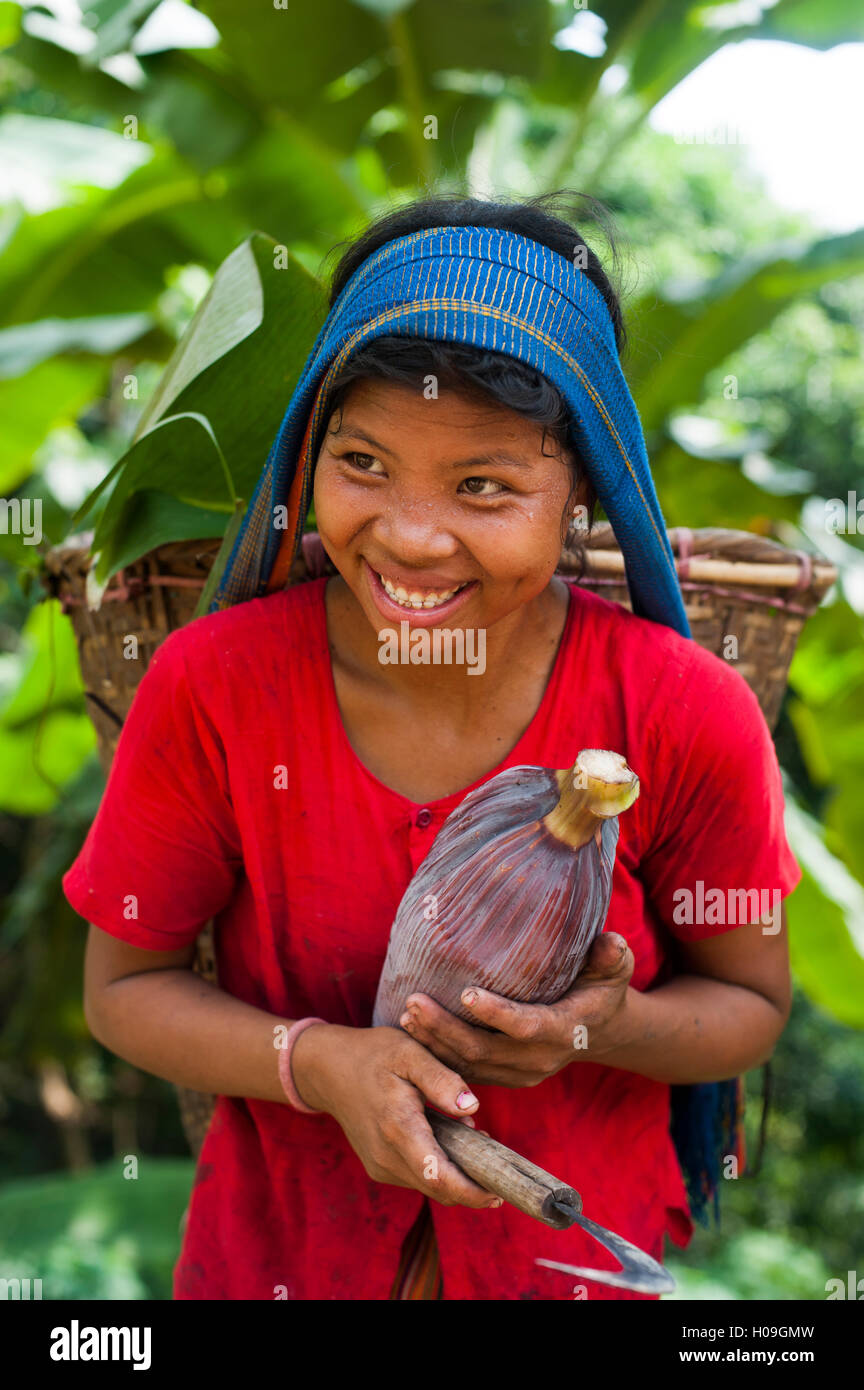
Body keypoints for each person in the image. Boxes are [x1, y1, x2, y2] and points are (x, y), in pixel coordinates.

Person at [63, 194, 800, 1301]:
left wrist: (603, 1027)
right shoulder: (215, 687)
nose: (410, 534)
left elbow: (748, 1008)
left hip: (573, 1272)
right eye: (362, 462)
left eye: (484, 486)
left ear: (583, 492)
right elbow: (125, 985)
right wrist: (313, 1063)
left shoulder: (684, 712)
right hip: (279, 1266)